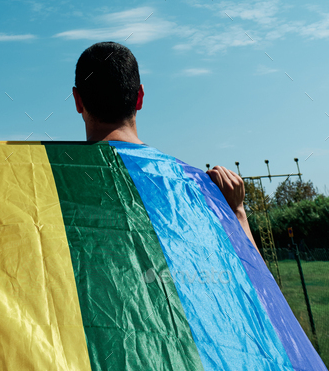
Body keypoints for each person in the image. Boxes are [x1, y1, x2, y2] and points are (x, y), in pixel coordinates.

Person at [72, 41, 258, 248]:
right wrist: (236, 213)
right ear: (139, 97)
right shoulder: (196, 188)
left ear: (78, 101)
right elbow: (256, 279)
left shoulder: (49, 184)